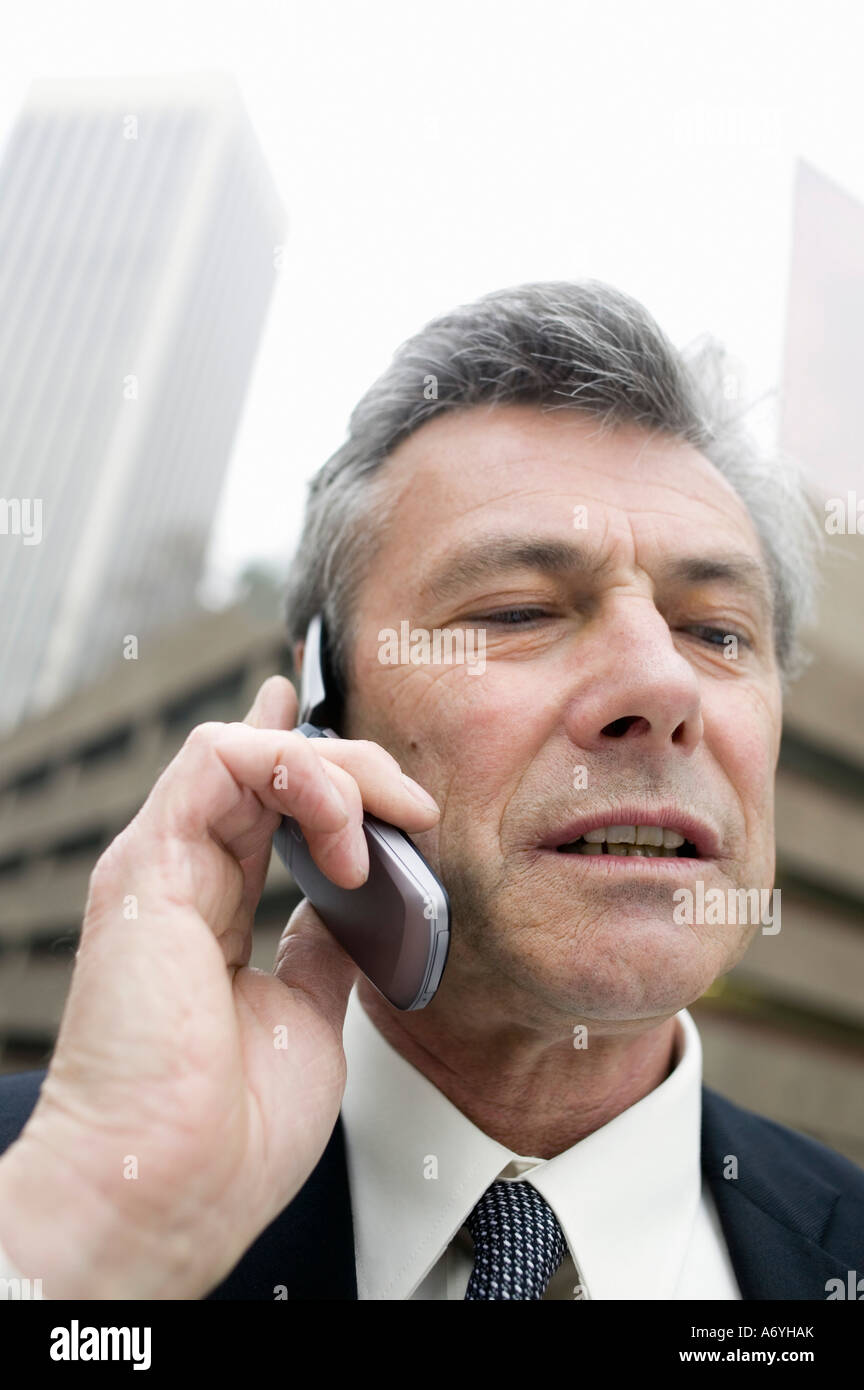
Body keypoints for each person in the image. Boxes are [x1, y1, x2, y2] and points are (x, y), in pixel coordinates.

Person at [1, 280, 862, 1301]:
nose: (663, 687)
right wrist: (100, 1235)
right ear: (323, 713)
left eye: (719, 633)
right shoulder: (46, 1207)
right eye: (517, 610)